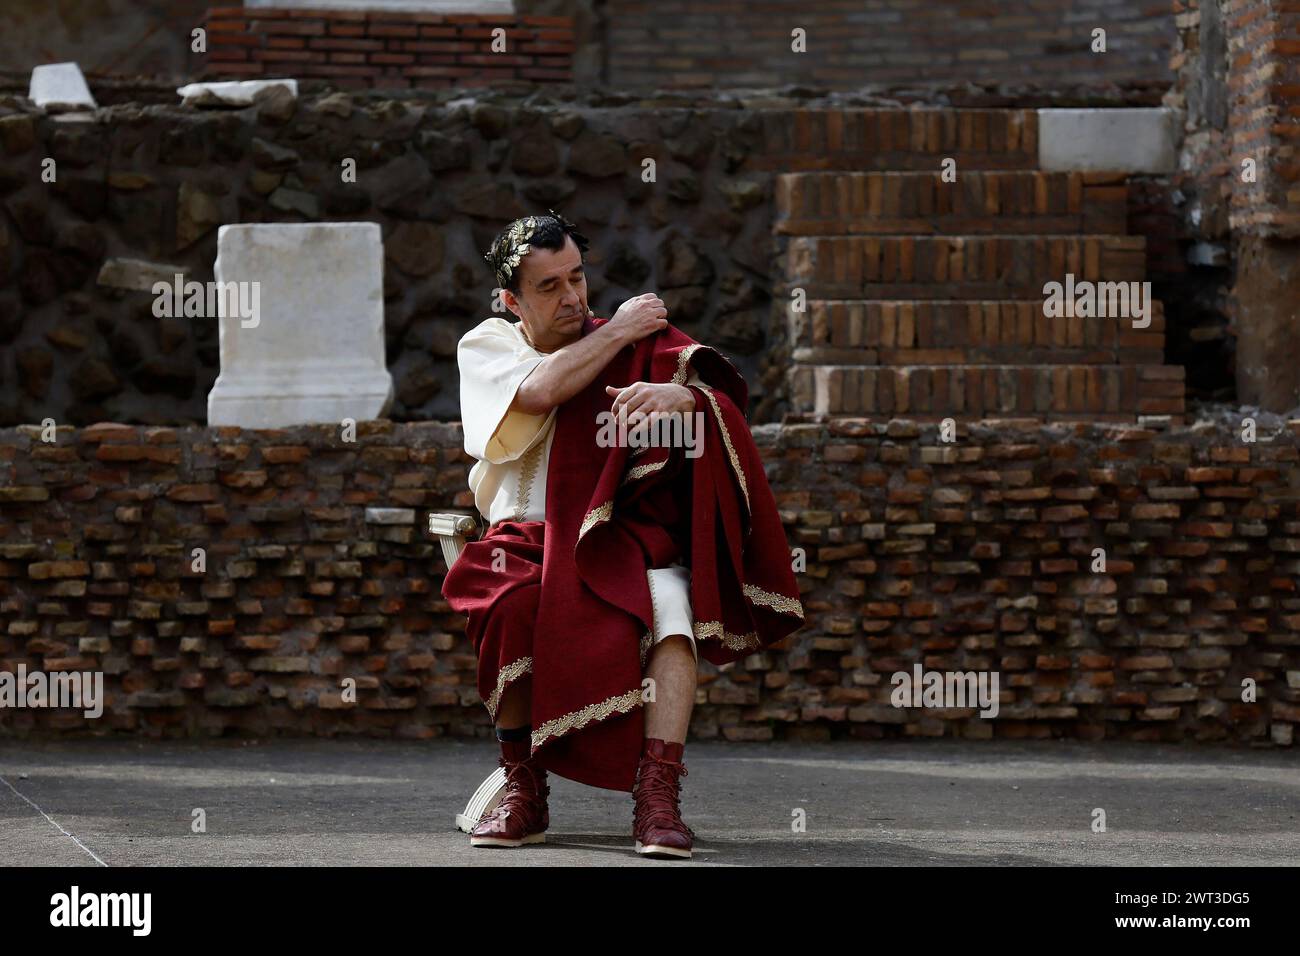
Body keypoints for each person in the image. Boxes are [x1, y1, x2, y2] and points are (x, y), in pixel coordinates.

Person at [441, 210, 803, 859]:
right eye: (548, 287)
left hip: (617, 536)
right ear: (510, 301)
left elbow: (716, 401)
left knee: (670, 612)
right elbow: (543, 389)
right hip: (525, 539)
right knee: (504, 600)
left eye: (576, 277)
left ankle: (658, 797)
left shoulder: (630, 342)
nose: (572, 298)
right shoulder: (489, 346)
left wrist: (685, 403)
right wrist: (625, 329)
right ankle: (526, 789)